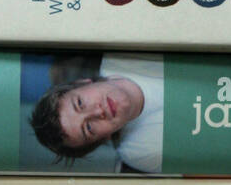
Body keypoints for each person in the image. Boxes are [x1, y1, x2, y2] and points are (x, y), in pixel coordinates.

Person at [29, 54, 164, 172]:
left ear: (83, 82)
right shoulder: (139, 153)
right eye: (88, 128)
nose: (98, 111)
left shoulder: (123, 53)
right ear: (104, 138)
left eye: (80, 103)